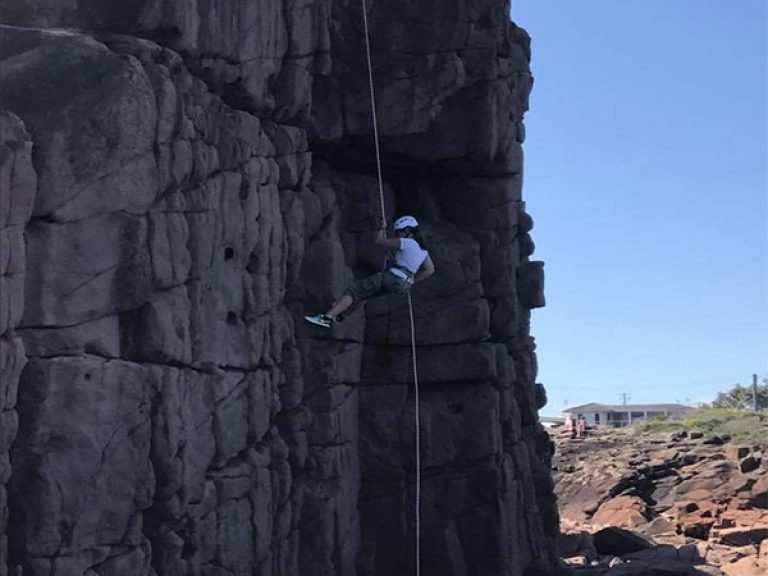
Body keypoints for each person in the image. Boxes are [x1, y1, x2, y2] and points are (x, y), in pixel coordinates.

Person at [305, 215, 435, 328]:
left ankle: (326, 318)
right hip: (402, 285)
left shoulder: (406, 242)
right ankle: (340, 317)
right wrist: (413, 282)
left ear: (407, 231)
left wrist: (381, 227)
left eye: (398, 232)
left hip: (391, 278)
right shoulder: (423, 251)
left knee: (353, 291)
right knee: (363, 296)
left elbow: (378, 241)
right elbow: (430, 270)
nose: (397, 235)